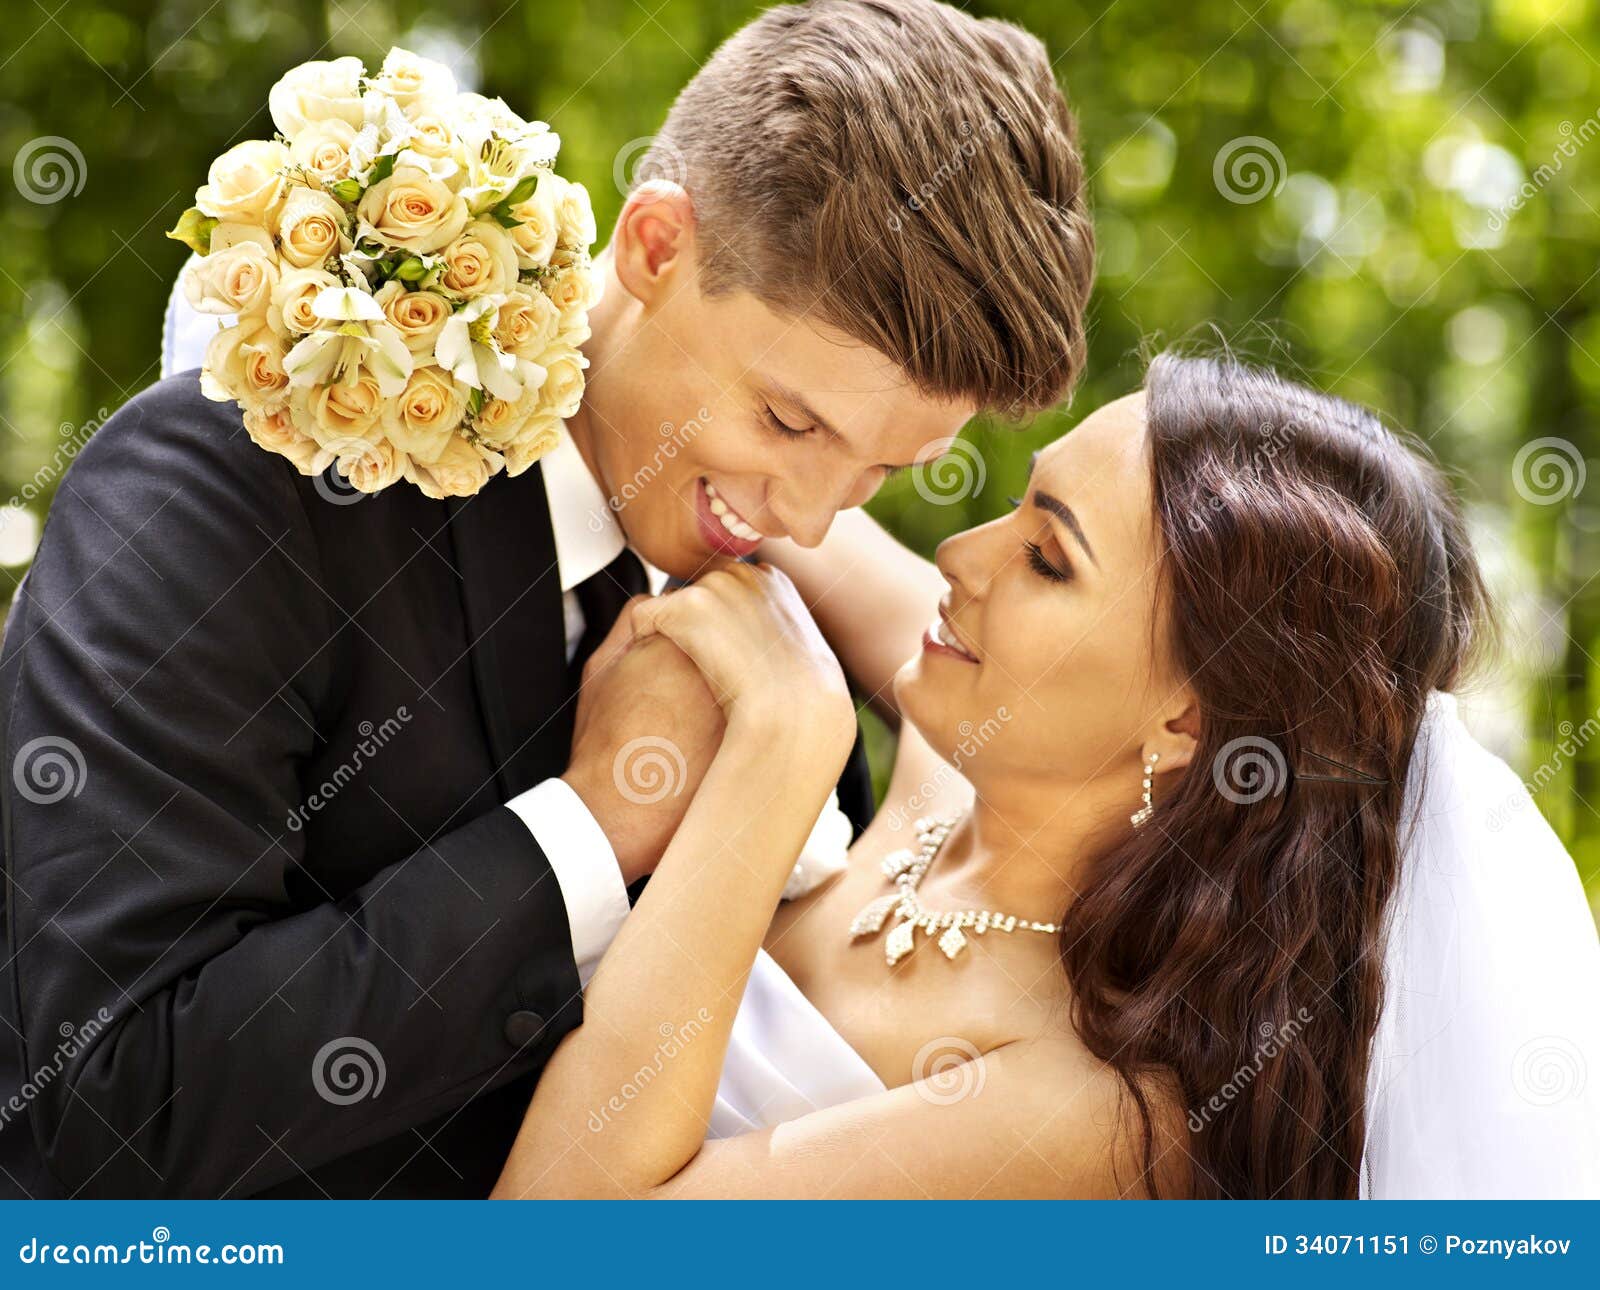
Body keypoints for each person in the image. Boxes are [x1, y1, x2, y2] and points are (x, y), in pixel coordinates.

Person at [0, 0, 1093, 1197]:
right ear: (656, 246)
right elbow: (105, 1112)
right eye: (788, 420)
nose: (809, 521)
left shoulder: (776, 636)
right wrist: (586, 829)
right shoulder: (238, 487)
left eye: (882, 470)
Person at [489, 352, 1600, 1199]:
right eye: (1018, 503)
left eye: (1047, 557)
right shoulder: (950, 772)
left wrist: (777, 760)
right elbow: (777, 502)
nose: (962, 557)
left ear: (1184, 717)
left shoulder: (1093, 1109)